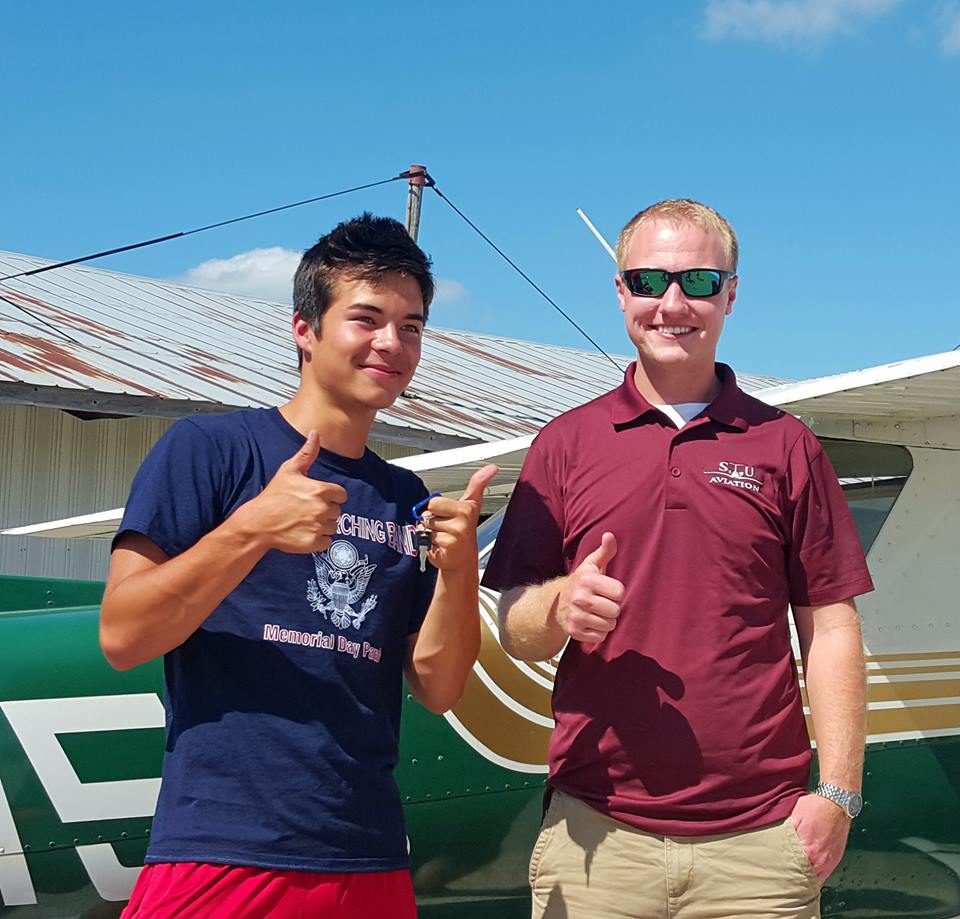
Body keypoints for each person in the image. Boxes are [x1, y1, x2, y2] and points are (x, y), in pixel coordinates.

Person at [482, 199, 871, 919]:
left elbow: (833, 627)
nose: (671, 303)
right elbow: (515, 625)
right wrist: (561, 603)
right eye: (648, 280)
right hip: (597, 838)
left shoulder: (786, 445)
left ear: (730, 294)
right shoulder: (564, 444)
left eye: (696, 282)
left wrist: (839, 793)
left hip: (761, 845)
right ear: (620, 292)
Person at [100, 213, 496, 919]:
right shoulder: (210, 450)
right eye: (367, 317)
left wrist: (460, 570)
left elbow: (437, 686)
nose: (392, 343)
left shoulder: (406, 498)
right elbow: (123, 635)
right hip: (222, 849)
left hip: (369, 855)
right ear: (304, 329)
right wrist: (251, 526)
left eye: (412, 325)